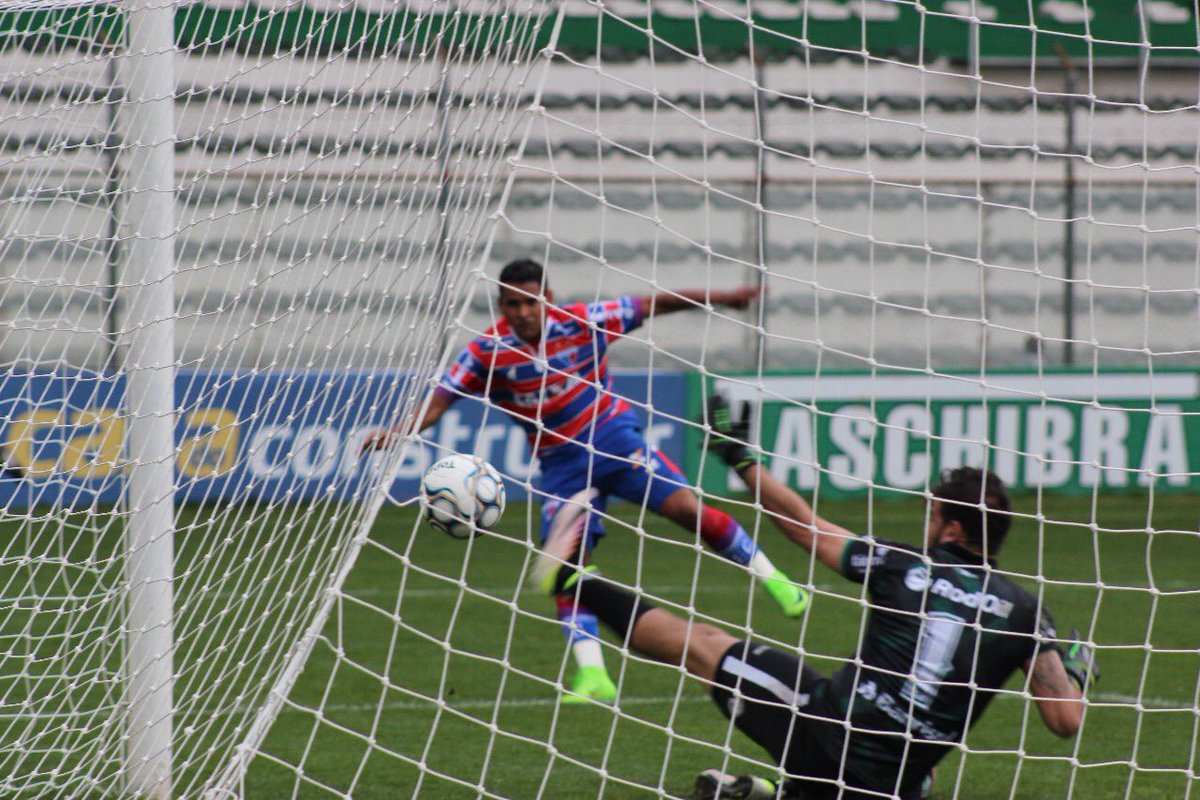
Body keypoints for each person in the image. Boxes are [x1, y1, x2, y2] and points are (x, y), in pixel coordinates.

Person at [530, 395, 1099, 799]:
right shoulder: (1027, 613)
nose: (927, 525)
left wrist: (740, 460)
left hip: (826, 733)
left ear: (951, 528)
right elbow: (1064, 720)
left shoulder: (906, 566)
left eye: (932, 515)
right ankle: (767, 791)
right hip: (897, 783)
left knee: (700, 643)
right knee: (910, 769)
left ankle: (575, 580)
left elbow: (805, 528)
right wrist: (1072, 669)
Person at [366, 260, 809, 704]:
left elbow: (655, 304)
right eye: (513, 304)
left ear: (548, 298)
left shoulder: (582, 322)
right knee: (565, 566)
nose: (523, 312)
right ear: (500, 305)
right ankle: (594, 675)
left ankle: (777, 581)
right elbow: (440, 400)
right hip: (562, 467)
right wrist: (399, 432)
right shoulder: (486, 352)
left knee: (687, 510)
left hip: (614, 440)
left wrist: (726, 298)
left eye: (531, 301)